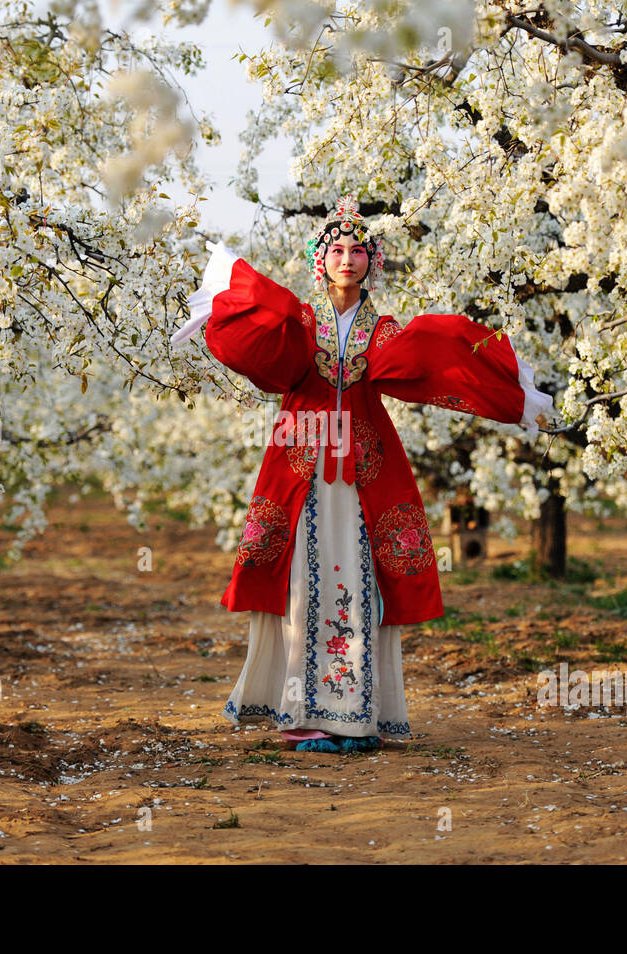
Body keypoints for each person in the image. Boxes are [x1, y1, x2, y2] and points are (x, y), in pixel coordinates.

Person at [171, 195, 553, 754]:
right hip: (301, 462)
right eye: (336, 250)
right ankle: (301, 711)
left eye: (358, 250)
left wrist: (508, 391)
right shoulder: (298, 321)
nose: (347, 259)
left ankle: (354, 715)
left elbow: (431, 355)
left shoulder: (387, 330)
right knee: (300, 584)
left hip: (363, 475)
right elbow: (269, 363)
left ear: (372, 262)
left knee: (362, 587)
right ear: (318, 260)